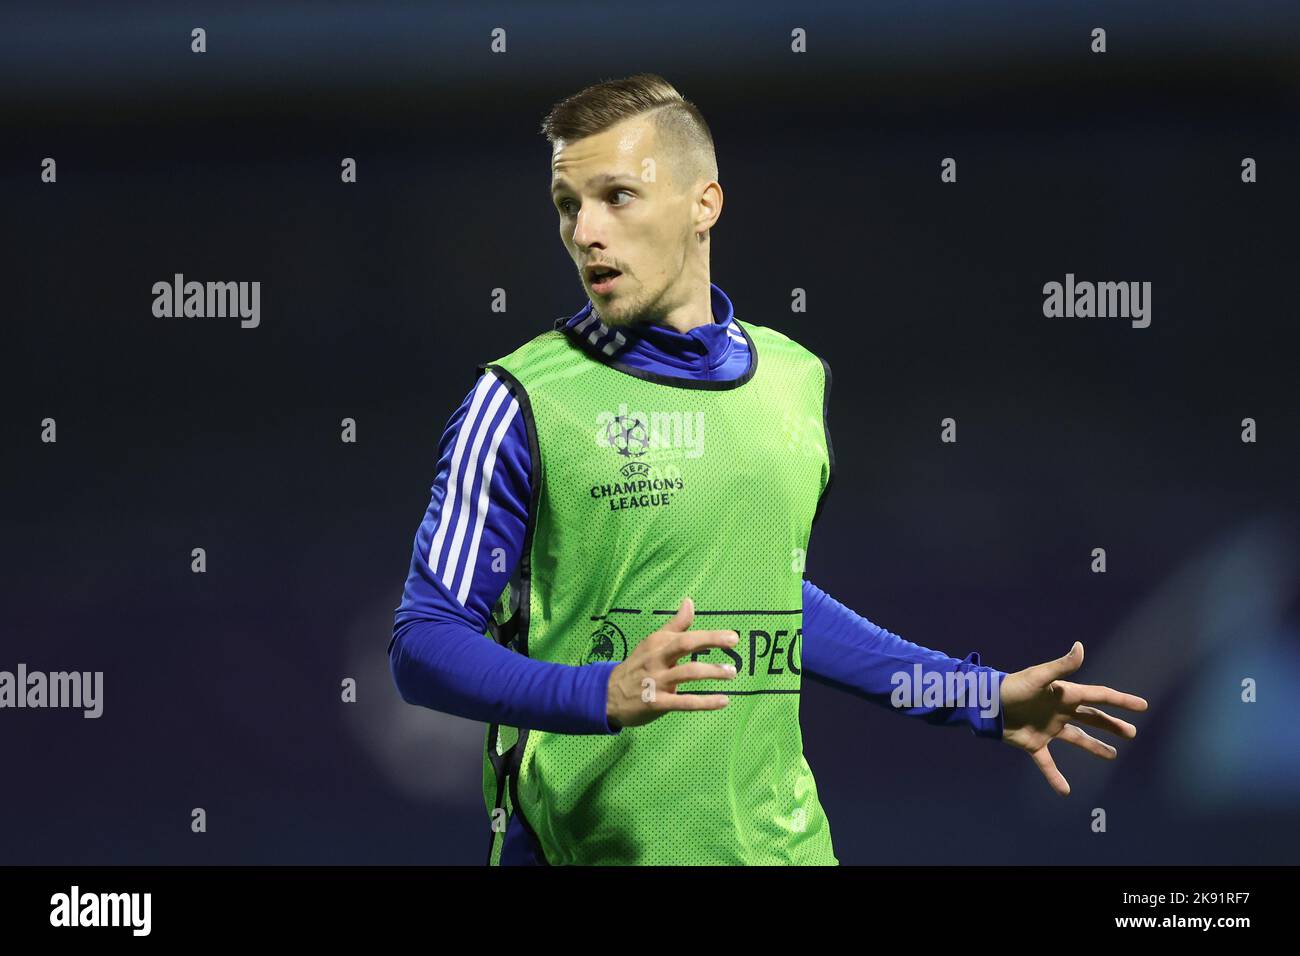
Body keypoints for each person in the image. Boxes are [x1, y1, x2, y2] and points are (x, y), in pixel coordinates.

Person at [389, 73, 1149, 865]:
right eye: (567, 205)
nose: (586, 231)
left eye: (617, 196)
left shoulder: (792, 379)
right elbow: (423, 642)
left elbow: (765, 603)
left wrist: (973, 696)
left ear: (703, 204)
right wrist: (599, 694)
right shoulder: (519, 402)